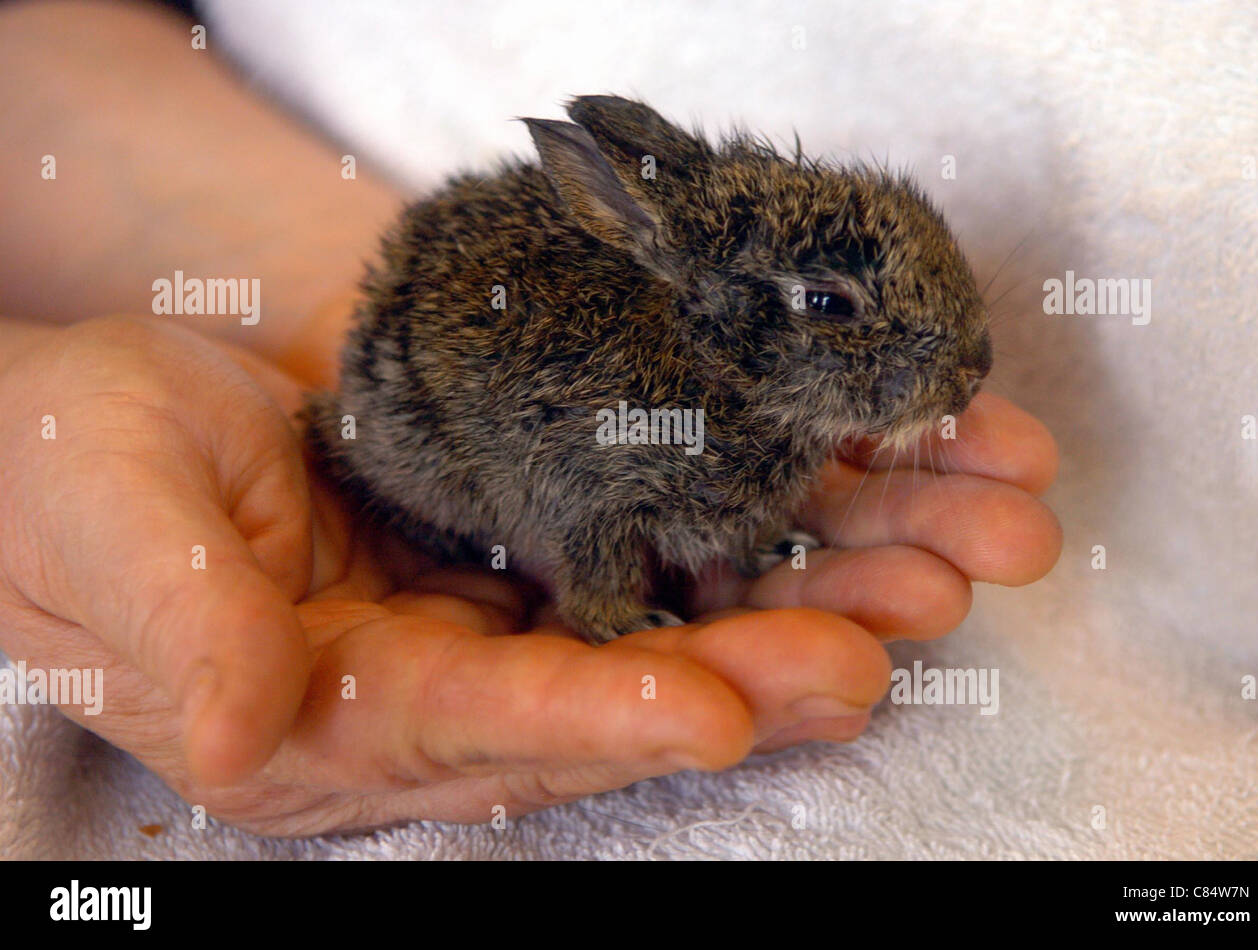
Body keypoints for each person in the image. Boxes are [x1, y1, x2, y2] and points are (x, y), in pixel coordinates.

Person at [0, 1, 1061, 835]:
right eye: (833, 310)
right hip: (430, 438)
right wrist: (605, 601)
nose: (956, 370)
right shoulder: (649, 406)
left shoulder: (757, 422)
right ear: (707, 296)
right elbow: (580, 482)